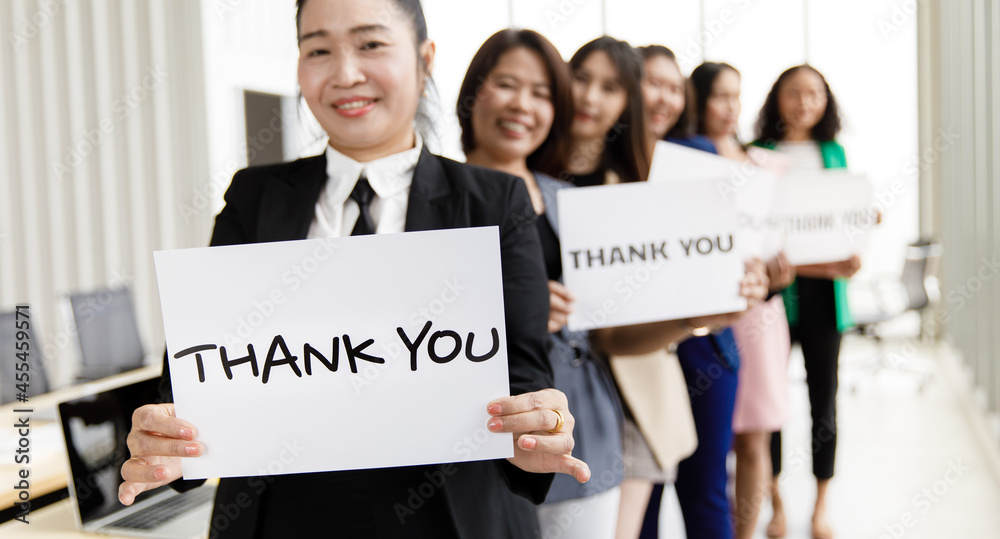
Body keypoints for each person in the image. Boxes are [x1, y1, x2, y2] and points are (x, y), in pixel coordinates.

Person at [118, 2, 591, 538]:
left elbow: (525, 376)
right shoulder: (253, 197)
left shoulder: (493, 203)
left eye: (370, 44)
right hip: (285, 518)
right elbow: (191, 381)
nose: (345, 73)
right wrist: (165, 439)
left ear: (424, 58)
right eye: (318, 49)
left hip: (451, 513)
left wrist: (537, 427)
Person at [562, 39, 769, 539]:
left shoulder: (682, 162)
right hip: (583, 376)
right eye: (651, 83)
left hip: (670, 359)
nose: (662, 98)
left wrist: (749, 280)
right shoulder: (565, 175)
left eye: (674, 87)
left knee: (699, 491)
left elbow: (734, 250)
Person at [457, 28, 625, 539]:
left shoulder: (570, 202)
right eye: (506, 84)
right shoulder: (432, 203)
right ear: (473, 93)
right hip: (477, 433)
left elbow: (612, 330)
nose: (522, 105)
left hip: (583, 426)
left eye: (542, 93)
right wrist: (510, 307)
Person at [753, 64, 862, 539]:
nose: (803, 103)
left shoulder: (835, 154)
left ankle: (820, 505)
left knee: (825, 402)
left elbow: (843, 224)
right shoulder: (758, 155)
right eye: (794, 93)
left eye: (814, 94)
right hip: (775, 298)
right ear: (777, 99)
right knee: (769, 406)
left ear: (827, 101)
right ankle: (775, 502)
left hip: (826, 300)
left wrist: (859, 242)